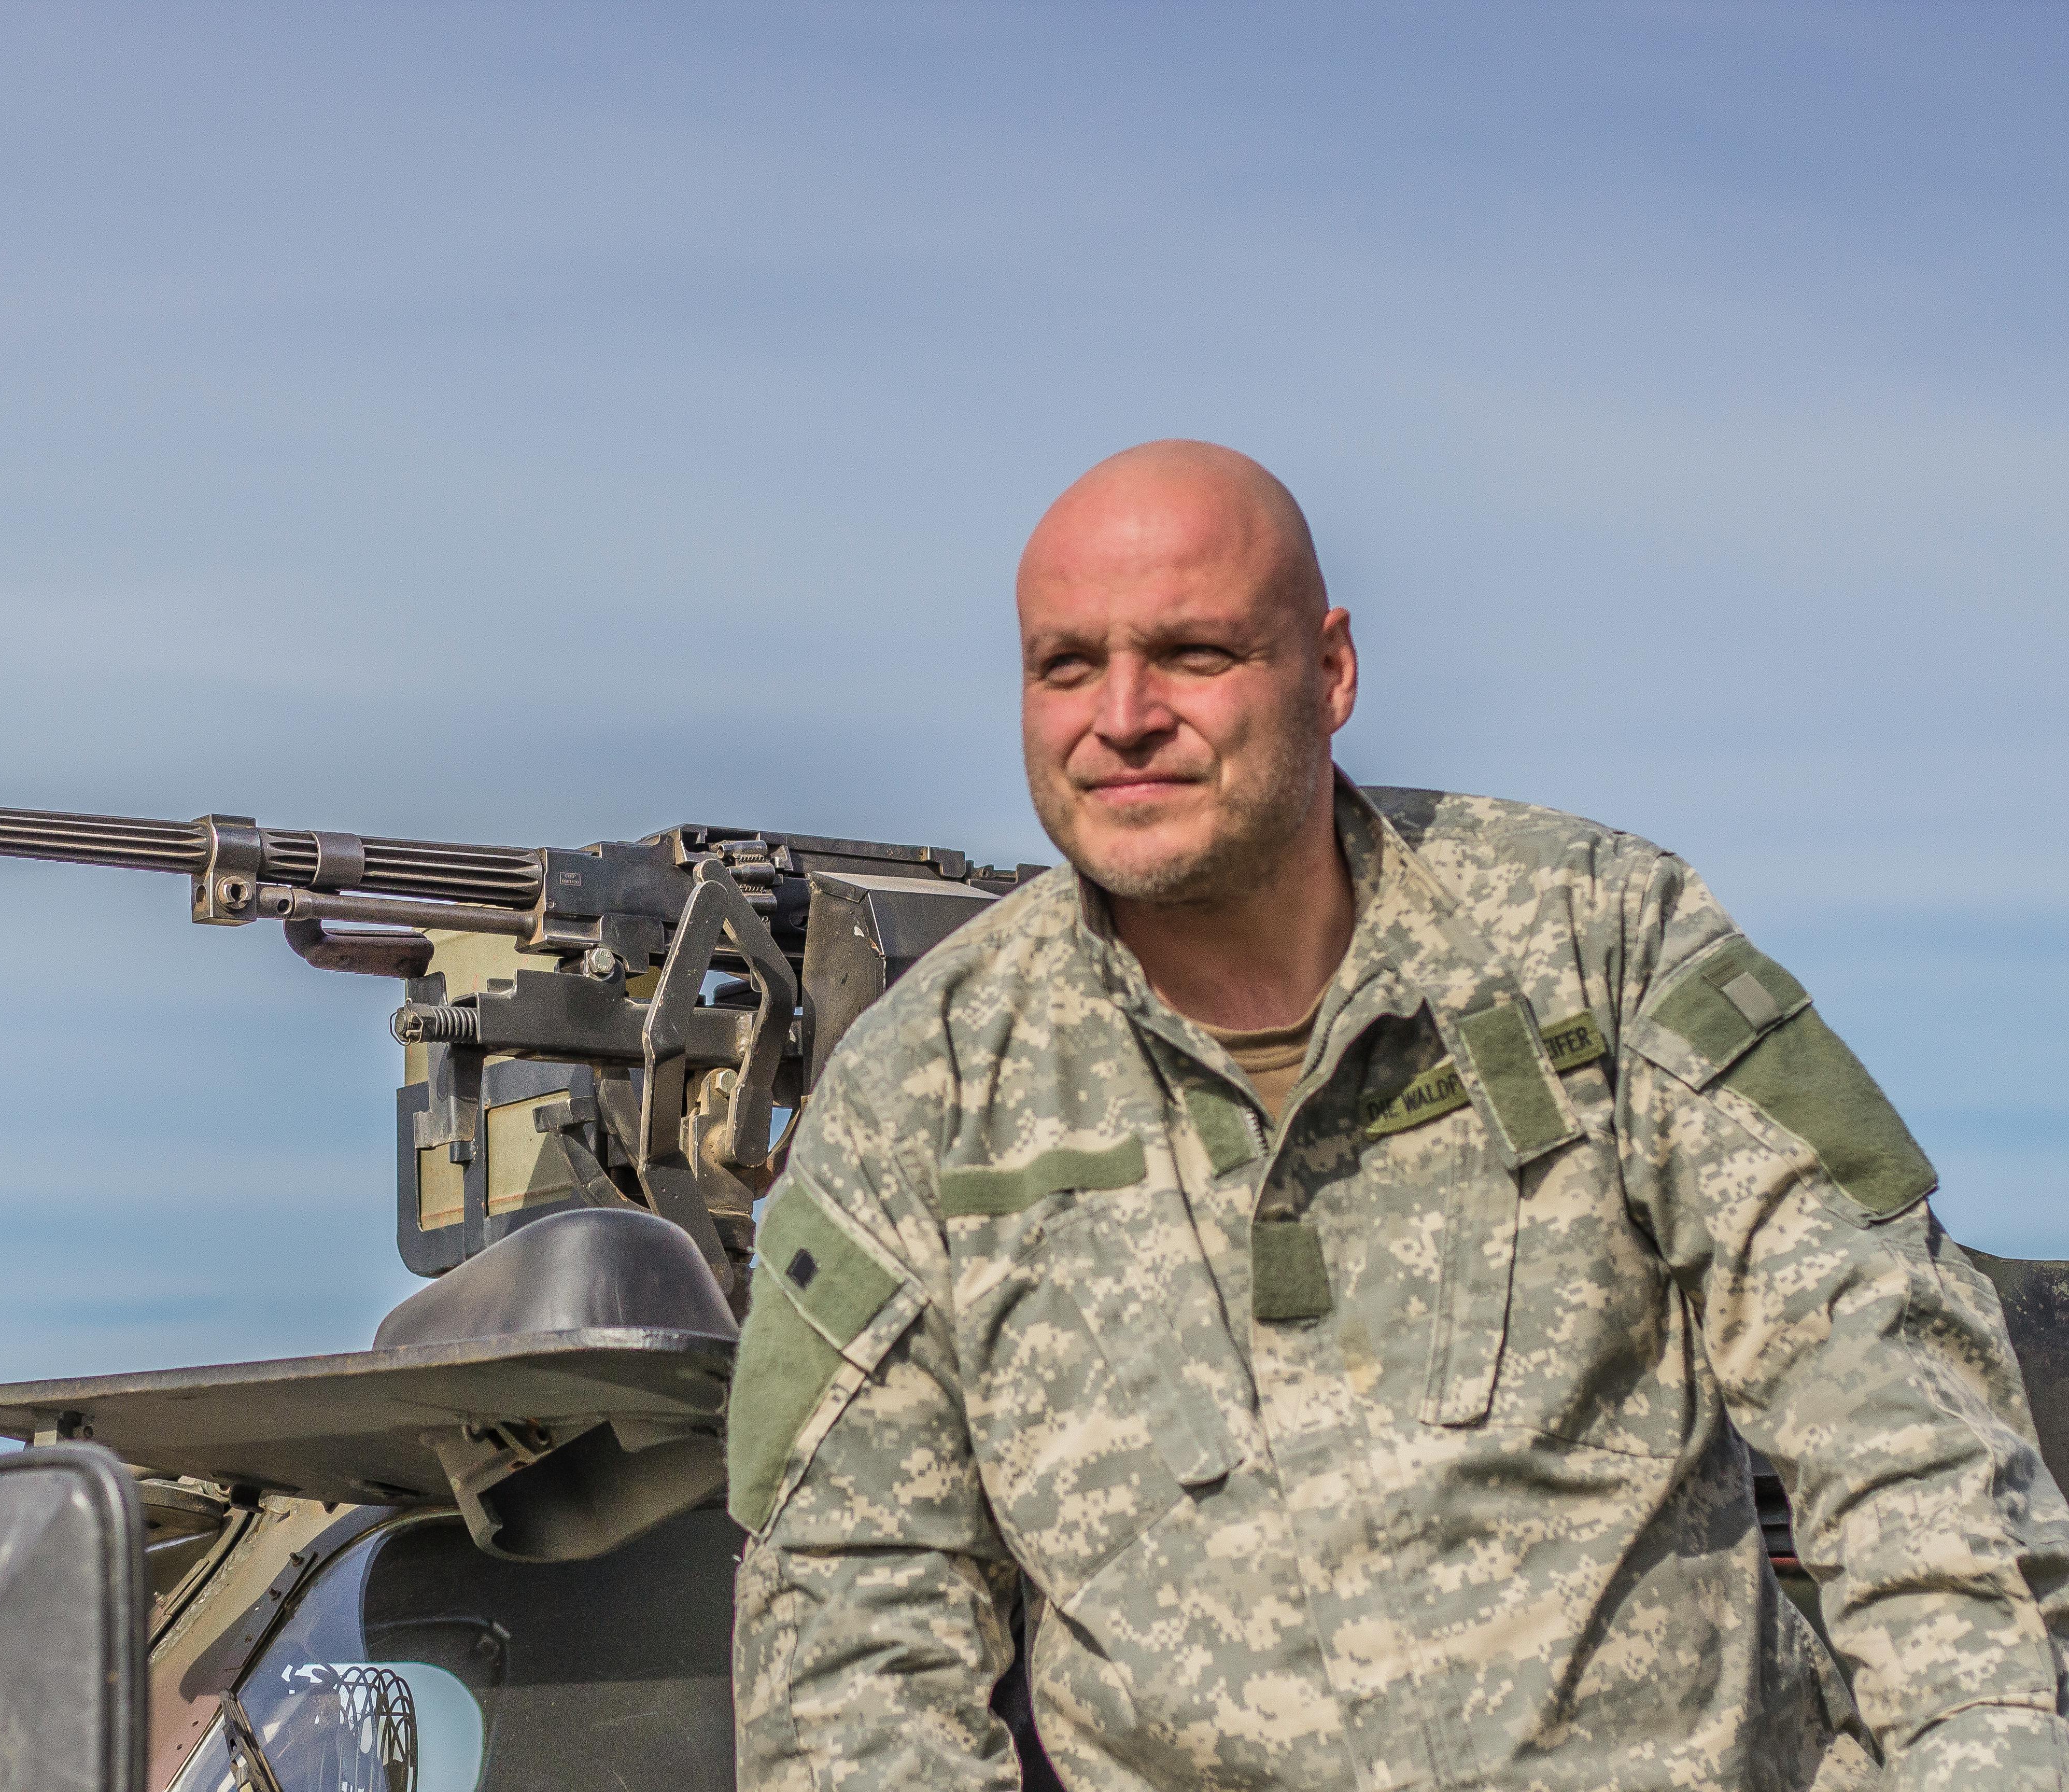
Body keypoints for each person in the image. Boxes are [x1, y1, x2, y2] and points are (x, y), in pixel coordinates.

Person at [725, 441, 2069, 1791]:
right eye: (1065, 666)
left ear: (1333, 671)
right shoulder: (925, 1095)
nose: (1121, 714)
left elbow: (1911, 1428)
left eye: (1194, 655)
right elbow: (849, 1627)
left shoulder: (1600, 948)